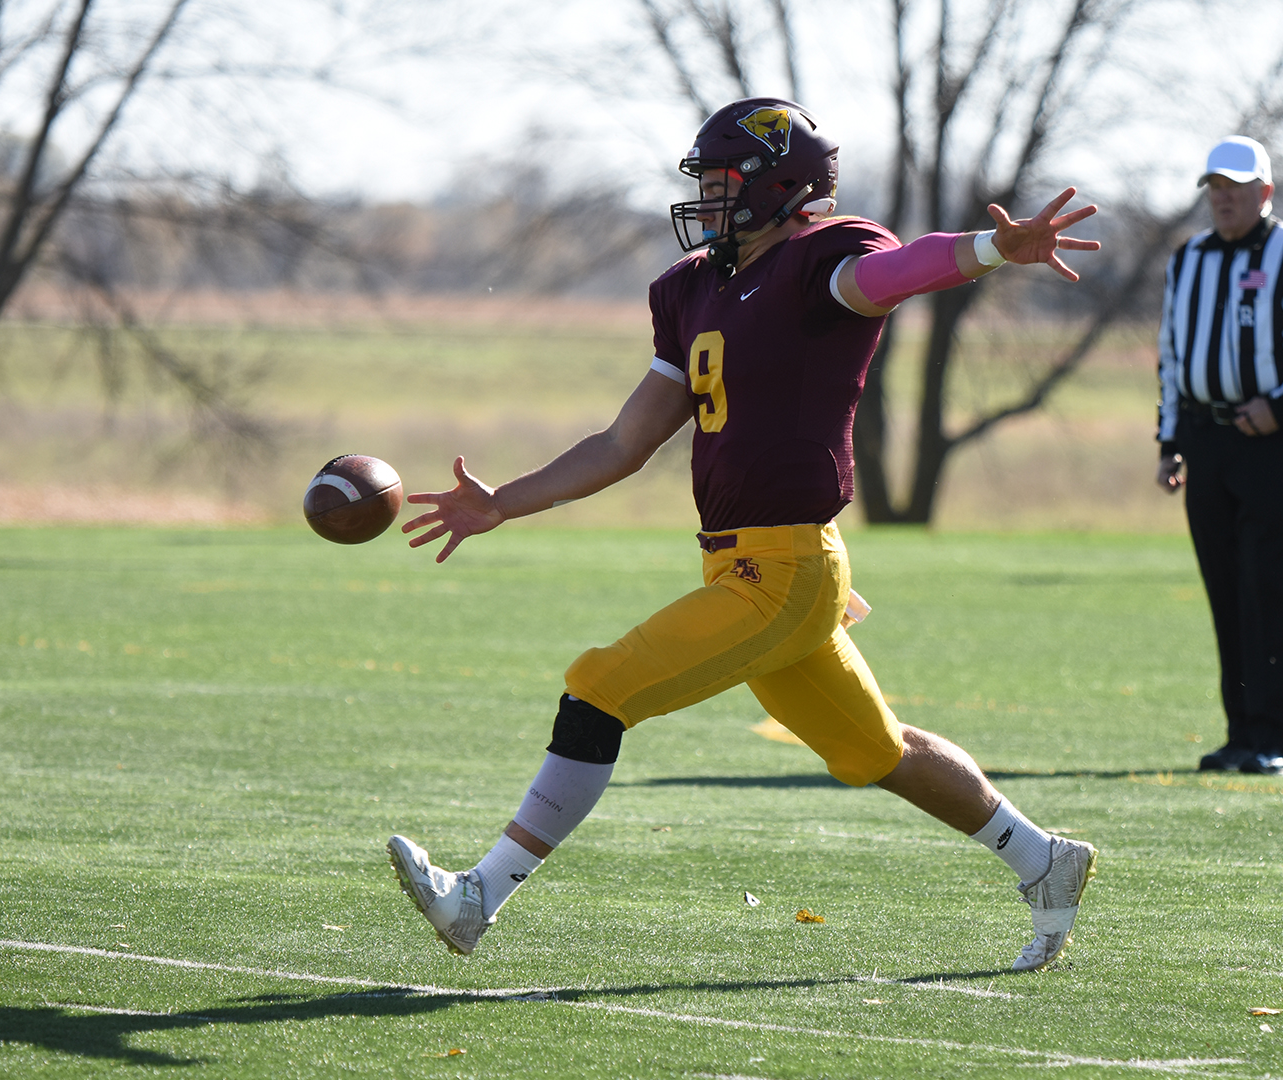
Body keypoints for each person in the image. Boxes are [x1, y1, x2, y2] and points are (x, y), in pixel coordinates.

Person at [386, 98, 1101, 972]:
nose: (709, 203)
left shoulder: (820, 259)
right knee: (874, 750)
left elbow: (897, 274)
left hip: (784, 568)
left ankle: (479, 896)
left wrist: (992, 249)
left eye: (726, 185)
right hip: (755, 567)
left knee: (598, 687)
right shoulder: (691, 288)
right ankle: (1046, 861)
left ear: (780, 188)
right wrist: (505, 503)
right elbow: (624, 443)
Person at [1156, 135, 1283, 777]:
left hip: (1272, 440)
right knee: (1224, 589)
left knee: (1269, 586)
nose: (1223, 198)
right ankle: (1239, 733)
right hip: (1205, 438)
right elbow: (1171, 357)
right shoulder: (1187, 259)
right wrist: (1170, 441)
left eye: (1235, 187)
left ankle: (1275, 739)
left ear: (1264, 192)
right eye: (1214, 187)